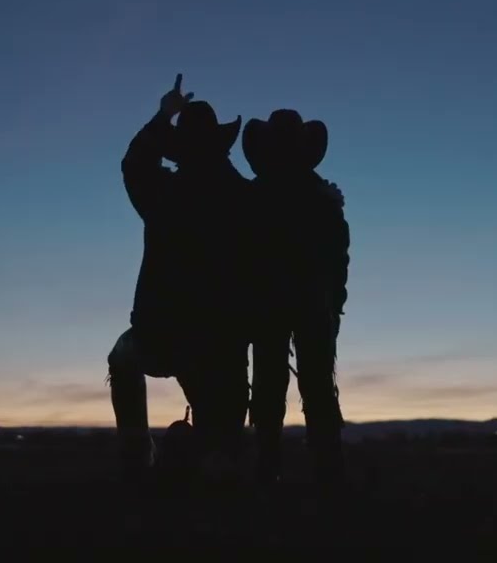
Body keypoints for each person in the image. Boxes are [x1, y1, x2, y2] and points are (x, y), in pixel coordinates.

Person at [107, 74, 253, 484]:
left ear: (181, 151)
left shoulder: (163, 193)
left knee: (123, 356)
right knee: (220, 448)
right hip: (221, 341)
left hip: (163, 333)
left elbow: (134, 163)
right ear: (222, 146)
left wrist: (163, 115)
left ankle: (138, 456)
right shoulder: (244, 197)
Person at [243, 109, 350, 489]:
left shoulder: (253, 196)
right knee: (317, 387)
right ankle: (326, 469)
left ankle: (269, 466)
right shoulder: (322, 197)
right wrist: (334, 300)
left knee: (271, 386)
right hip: (310, 304)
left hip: (270, 304)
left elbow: (240, 253)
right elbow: (339, 255)